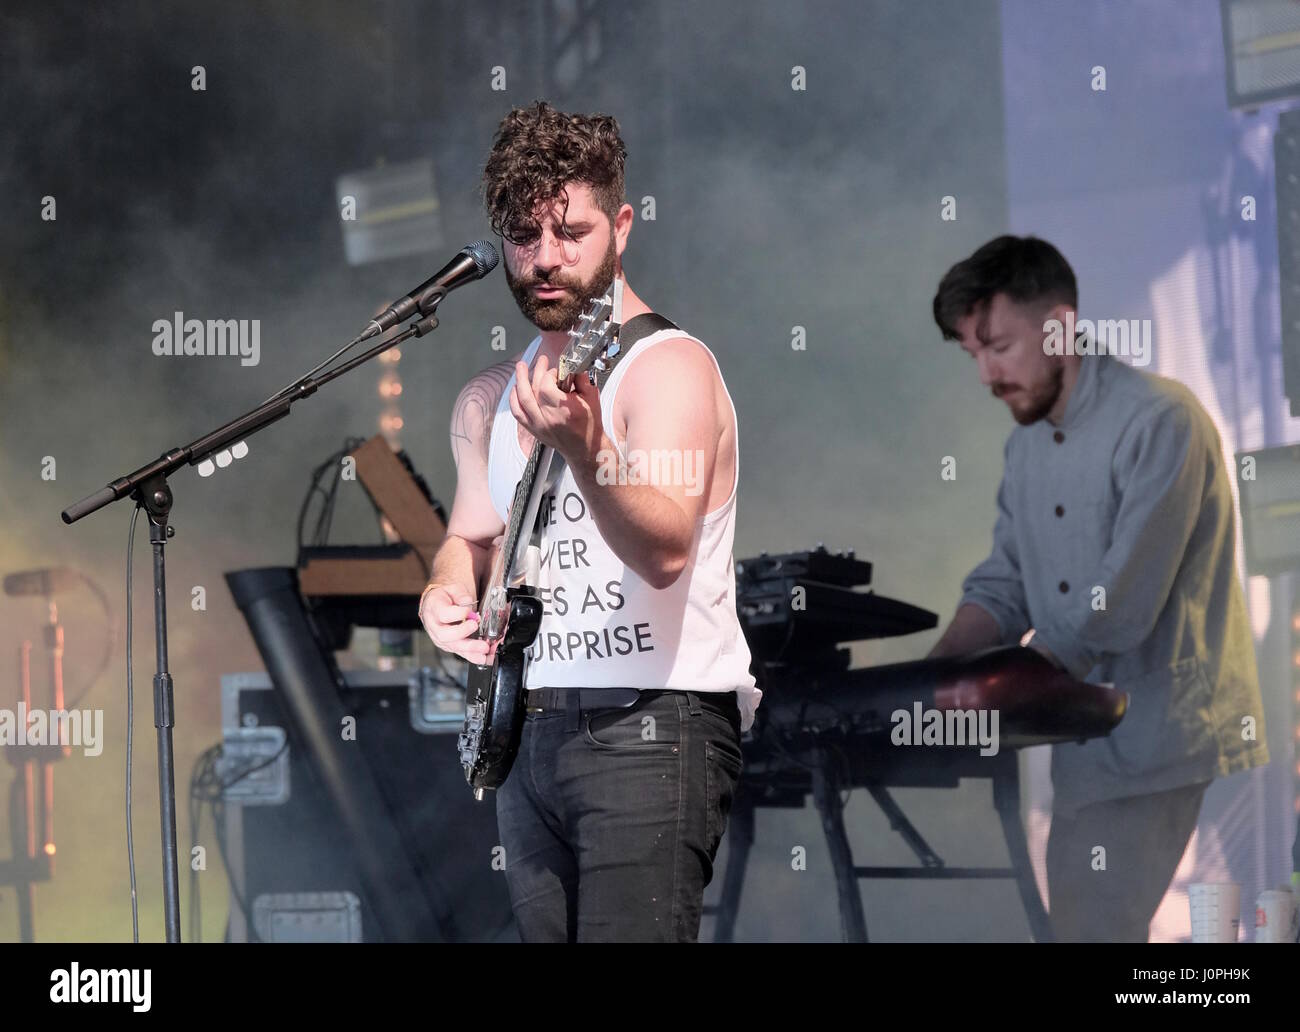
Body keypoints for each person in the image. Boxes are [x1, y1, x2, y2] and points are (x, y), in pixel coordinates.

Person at [418, 101, 760, 942]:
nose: (545, 260)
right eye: (523, 237)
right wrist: (442, 589)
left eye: (571, 232)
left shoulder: (666, 367)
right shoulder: (495, 394)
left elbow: (667, 550)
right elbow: (473, 535)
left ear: (623, 225)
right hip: (528, 726)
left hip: (650, 722)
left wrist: (588, 447)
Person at [927, 234, 1269, 942]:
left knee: (1093, 933)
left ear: (1060, 326)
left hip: (1160, 737)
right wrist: (932, 677)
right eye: (973, 355)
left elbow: (1120, 603)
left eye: (999, 346)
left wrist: (999, 681)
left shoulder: (1160, 421)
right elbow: (1004, 583)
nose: (987, 373)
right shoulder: (1024, 447)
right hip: (1083, 748)